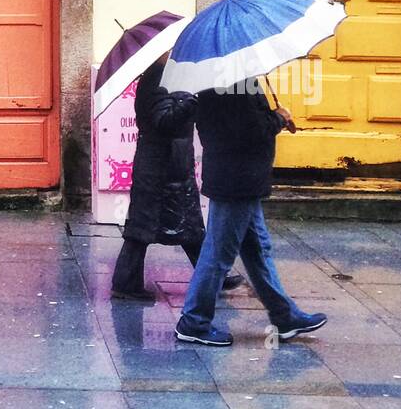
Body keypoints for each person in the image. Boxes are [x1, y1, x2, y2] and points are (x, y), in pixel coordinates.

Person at [174, 82, 328, 346]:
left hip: (241, 179)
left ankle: (285, 316)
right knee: (218, 253)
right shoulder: (232, 83)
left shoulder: (227, 79)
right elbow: (247, 130)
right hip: (236, 180)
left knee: (258, 249)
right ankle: (194, 321)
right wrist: (279, 117)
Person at [111, 57, 244, 302]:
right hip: (156, 167)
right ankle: (125, 283)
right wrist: (190, 102)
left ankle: (215, 277)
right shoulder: (155, 78)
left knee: (191, 226)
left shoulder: (172, 76)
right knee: (142, 227)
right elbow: (163, 121)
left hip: (175, 164)